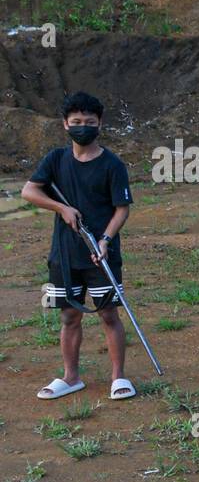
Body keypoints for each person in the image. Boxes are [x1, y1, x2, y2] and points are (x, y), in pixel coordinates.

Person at [21, 92, 136, 401]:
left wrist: (105, 239)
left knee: (109, 314)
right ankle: (71, 377)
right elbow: (29, 191)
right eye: (76, 122)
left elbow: (122, 208)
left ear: (100, 124)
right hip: (64, 254)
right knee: (69, 316)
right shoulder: (56, 160)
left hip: (101, 253)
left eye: (89, 122)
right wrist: (61, 208)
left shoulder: (112, 164)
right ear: (65, 124)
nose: (82, 127)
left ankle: (118, 378)